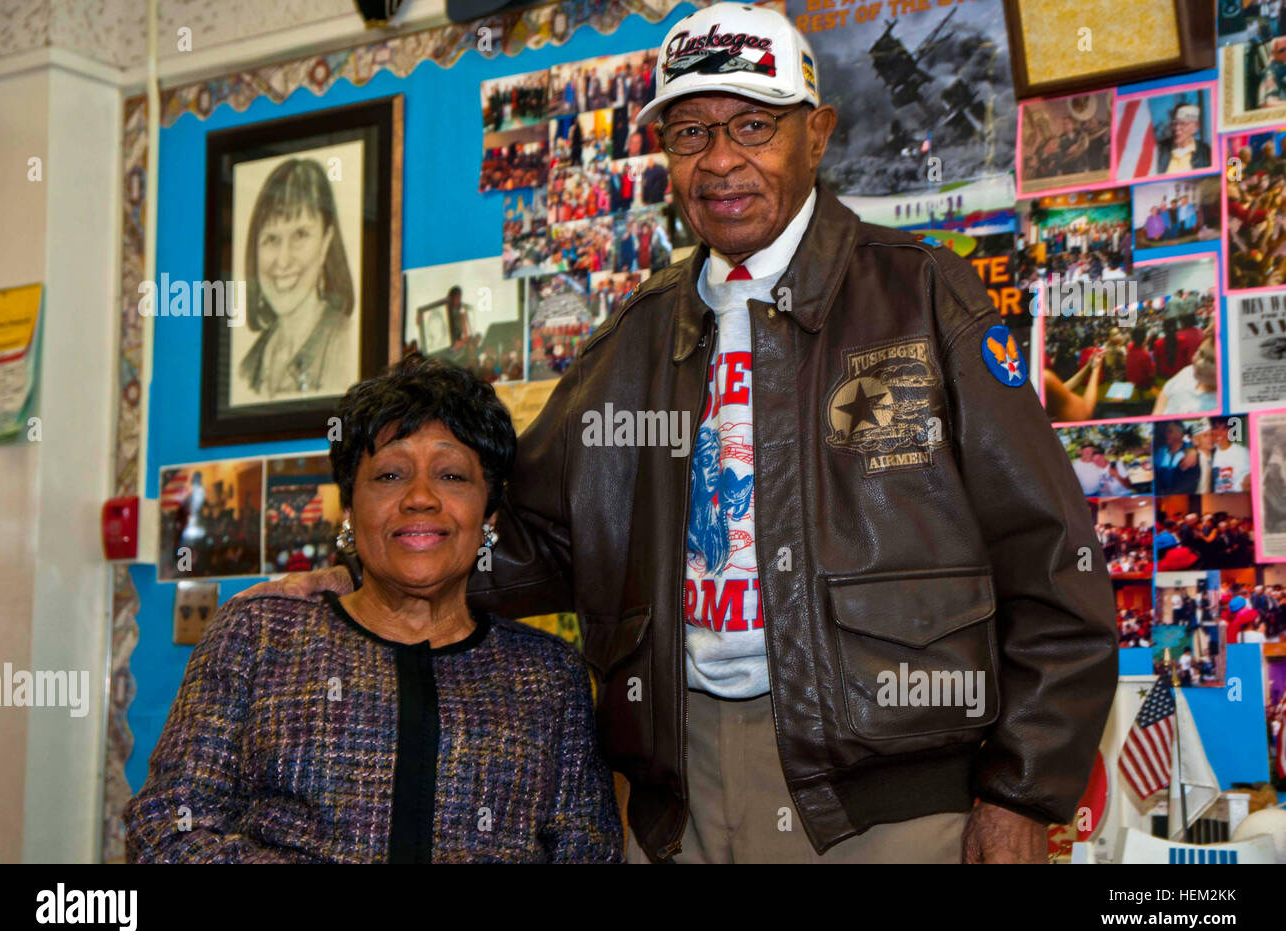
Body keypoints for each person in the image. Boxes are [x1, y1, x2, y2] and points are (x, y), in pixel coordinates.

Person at [249, 3, 1116, 864]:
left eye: (752, 125)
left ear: (815, 135)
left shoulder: (924, 298)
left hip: (890, 799)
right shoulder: (633, 342)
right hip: (681, 796)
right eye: (692, 133)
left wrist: (1020, 791)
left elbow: (1052, 556)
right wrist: (364, 574)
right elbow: (533, 541)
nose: (722, 160)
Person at [126, 358, 623, 863]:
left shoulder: (549, 677)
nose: (421, 498)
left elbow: (589, 854)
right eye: (389, 474)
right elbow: (166, 827)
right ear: (349, 507)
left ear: (489, 515)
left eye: (452, 475)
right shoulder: (259, 635)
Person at [238, 158, 355, 400]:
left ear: (326, 242)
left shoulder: (344, 344)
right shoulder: (249, 367)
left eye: (300, 235)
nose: (283, 260)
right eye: (271, 239)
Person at [1156, 103, 1211, 174]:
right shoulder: (1159, 151)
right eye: (1174, 123)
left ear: (1195, 127)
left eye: (1183, 124)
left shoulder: (1206, 154)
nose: (1177, 128)